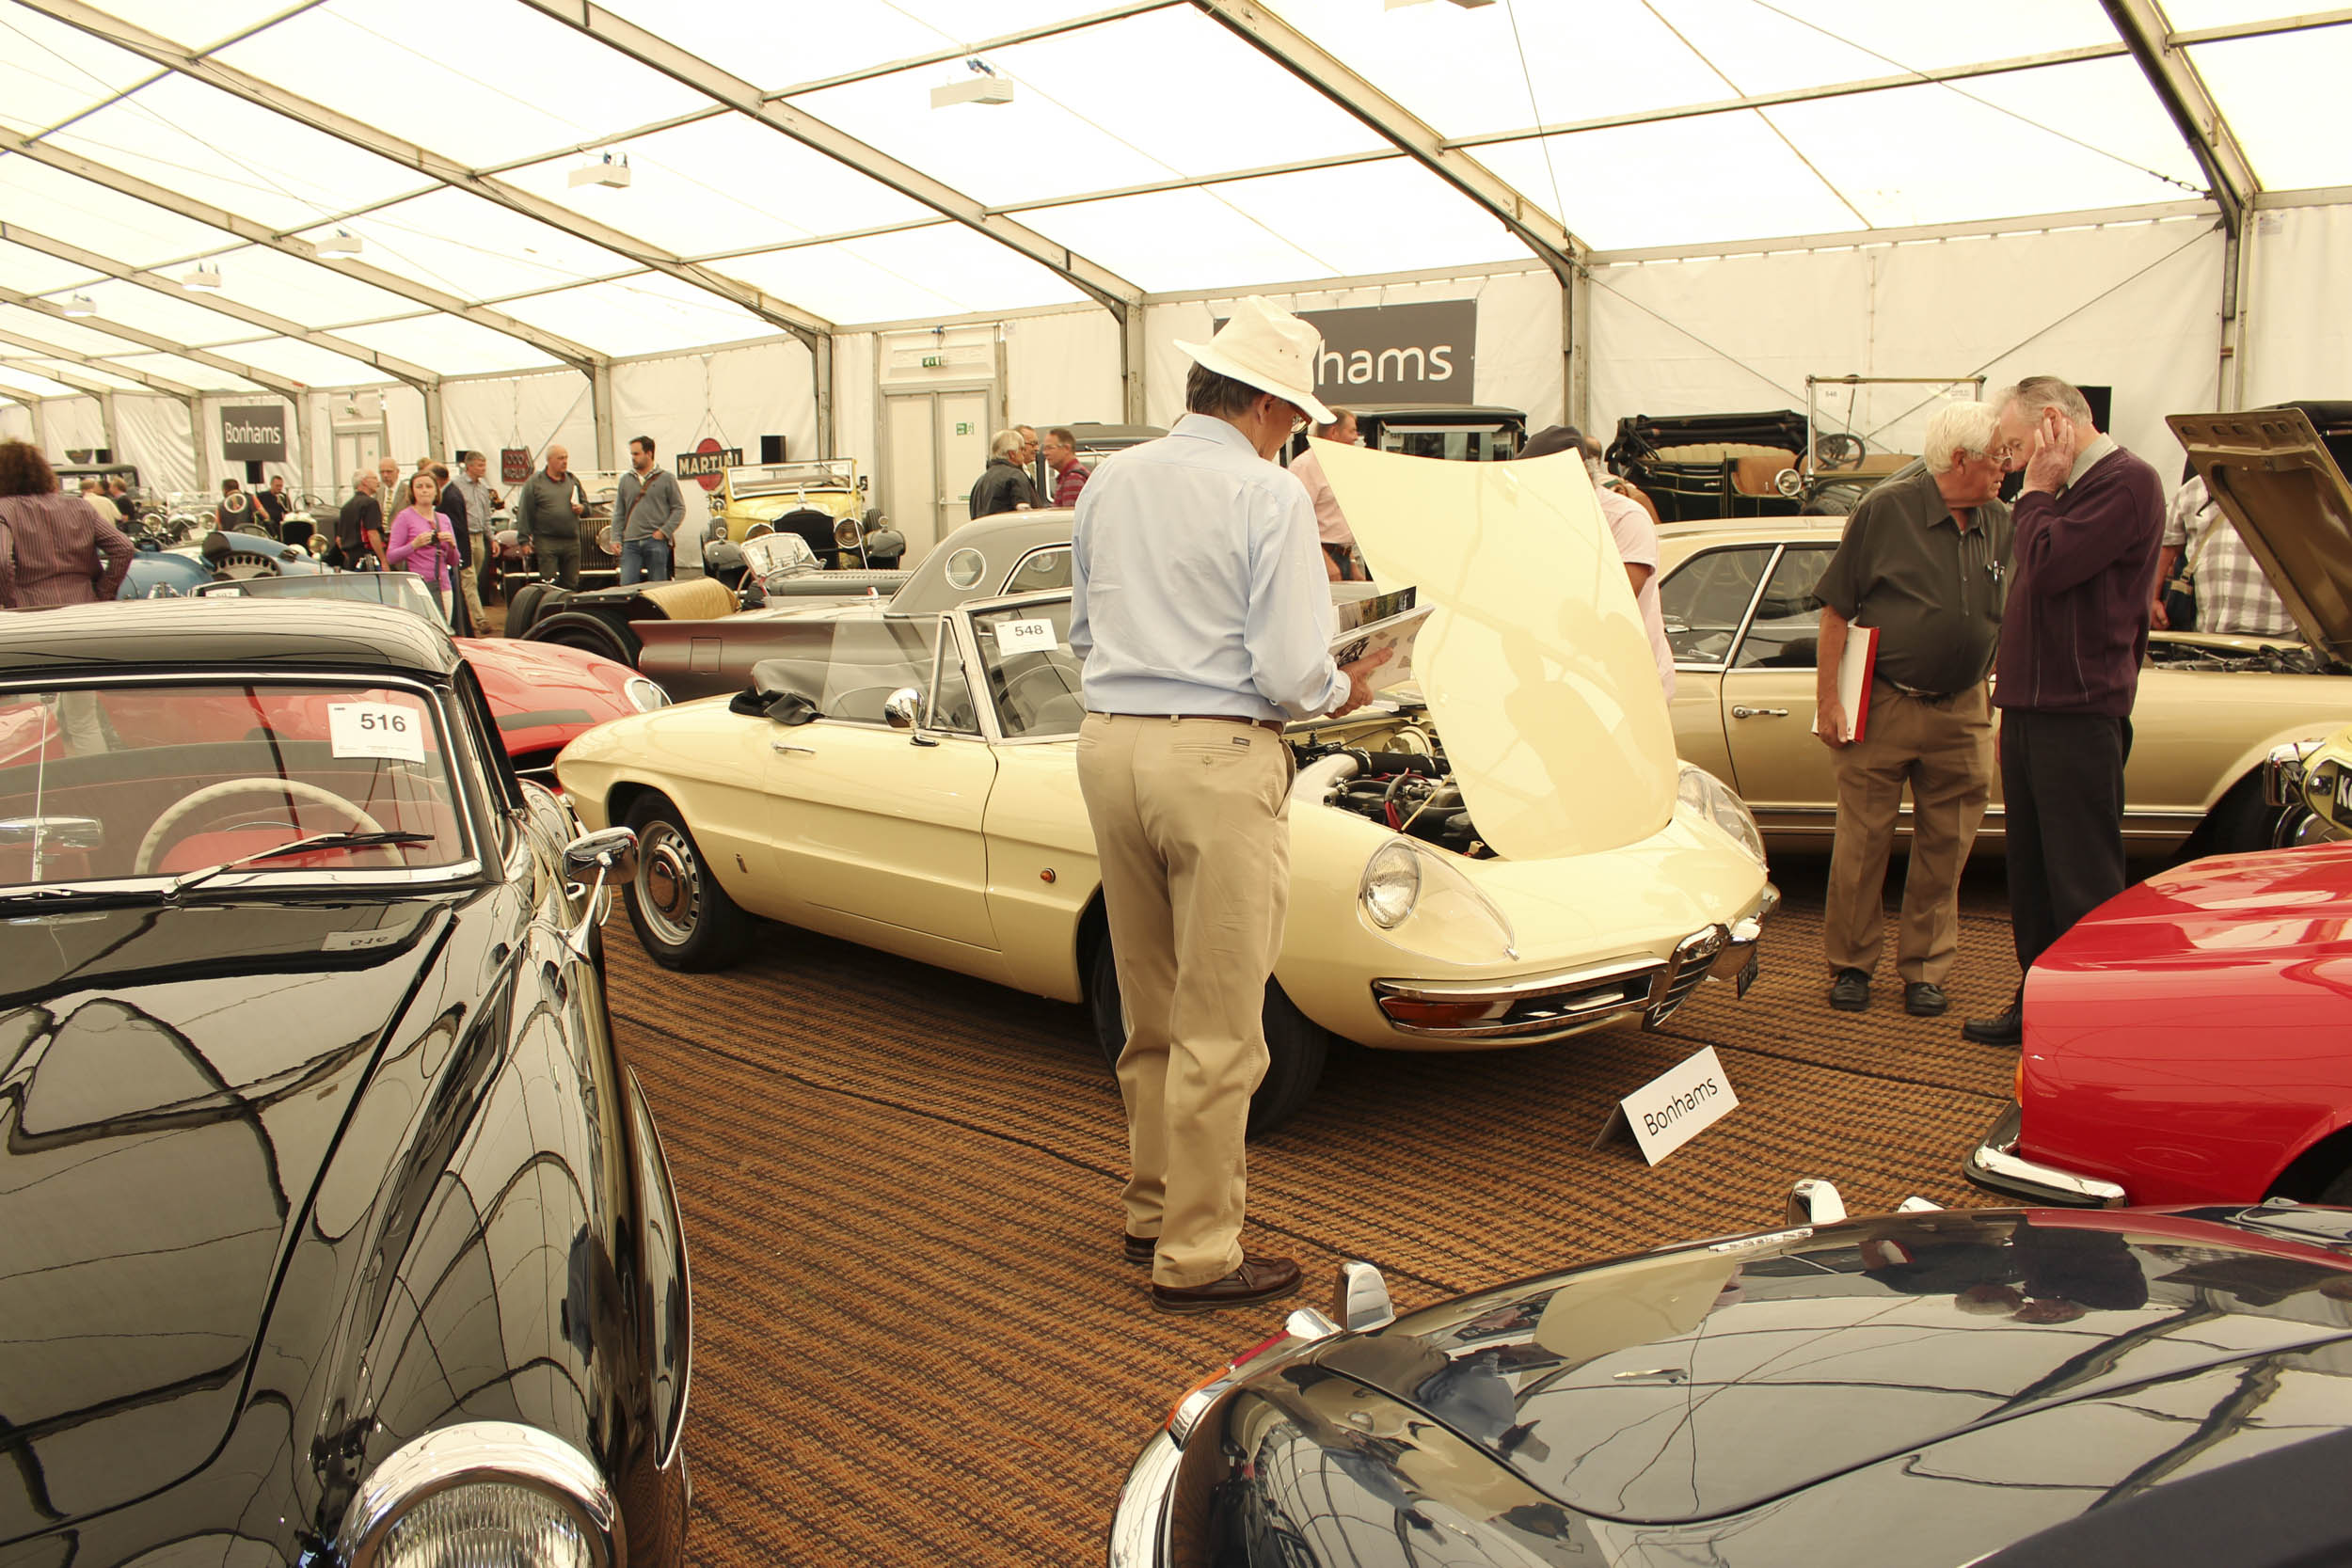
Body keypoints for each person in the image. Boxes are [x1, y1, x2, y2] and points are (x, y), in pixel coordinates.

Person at [1071, 296, 1390, 1315]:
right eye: (1291, 416)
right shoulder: (1269, 493)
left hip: (1110, 741)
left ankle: (1153, 1203)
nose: (1292, 431)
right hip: (1217, 756)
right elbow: (1294, 668)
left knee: (1149, 1000)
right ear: (1263, 405)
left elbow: (1082, 627)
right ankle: (1199, 1251)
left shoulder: (1110, 478)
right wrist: (1353, 685)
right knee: (1222, 1021)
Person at [1962, 376, 2165, 1047]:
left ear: (2054, 422)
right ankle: (2041, 1001)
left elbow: (2047, 566)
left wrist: (2040, 493)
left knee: (2081, 876)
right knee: (2033, 875)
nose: (2014, 461)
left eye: (2017, 444)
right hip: (2034, 708)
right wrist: (2009, 703)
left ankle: (2093, 1021)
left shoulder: (2127, 483)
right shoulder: (2074, 492)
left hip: (2078, 712)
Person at [1811, 400, 2013, 1020]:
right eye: (1997, 455)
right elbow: (1836, 611)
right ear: (1961, 459)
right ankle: (1851, 965)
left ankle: (1925, 970)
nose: (2007, 465)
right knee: (1862, 845)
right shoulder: (1884, 511)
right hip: (1884, 702)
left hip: (1964, 710)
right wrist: (1829, 704)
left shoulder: (2002, 520)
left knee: (1946, 847)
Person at [1522, 425, 1675, 701]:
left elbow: (1617, 603)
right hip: (1575, 679)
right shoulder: (1542, 519)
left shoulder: (1624, 518)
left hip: (1629, 683)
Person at [2152, 471, 2294, 638]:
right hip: (2208, 631)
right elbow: (2166, 548)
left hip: (2279, 629)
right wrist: (2151, 599)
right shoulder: (2194, 489)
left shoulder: (2292, 487)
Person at [1286, 406, 1363, 581]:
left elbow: (1338, 522)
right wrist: (1326, 563)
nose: (1356, 437)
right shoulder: (1306, 466)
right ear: (1334, 432)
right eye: (1352, 430)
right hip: (1320, 560)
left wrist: (1351, 563)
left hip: (1341, 559)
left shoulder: (1339, 467)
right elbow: (1295, 521)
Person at [387, 469, 459, 621]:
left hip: (442, 587)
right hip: (415, 588)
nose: (424, 490)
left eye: (429, 486)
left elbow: (454, 561)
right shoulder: (404, 517)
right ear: (412, 491)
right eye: (419, 486)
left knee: (442, 632)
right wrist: (414, 544)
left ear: (436, 491)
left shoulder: (443, 519)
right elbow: (391, 557)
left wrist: (452, 545)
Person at [614, 435, 685, 586]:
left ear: (649, 454)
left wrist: (663, 532)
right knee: (626, 586)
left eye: (636, 454)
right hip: (630, 543)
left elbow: (679, 508)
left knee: (658, 588)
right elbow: (619, 512)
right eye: (631, 454)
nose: (633, 458)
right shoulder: (625, 480)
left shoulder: (666, 478)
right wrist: (615, 538)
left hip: (656, 542)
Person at [516, 445, 589, 590]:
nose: (565, 461)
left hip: (571, 541)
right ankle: (550, 609)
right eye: (560, 458)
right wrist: (524, 540)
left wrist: (582, 508)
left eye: (566, 457)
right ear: (549, 460)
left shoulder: (572, 480)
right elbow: (525, 512)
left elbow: (587, 507)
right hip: (547, 541)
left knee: (572, 583)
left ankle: (568, 610)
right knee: (549, 583)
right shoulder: (535, 483)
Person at [449, 451, 499, 632]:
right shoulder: (456, 486)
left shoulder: (483, 488)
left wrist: (491, 539)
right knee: (469, 580)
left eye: (484, 465)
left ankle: (463, 615)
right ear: (469, 466)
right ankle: (480, 620)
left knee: (472, 580)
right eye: (479, 465)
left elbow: (486, 516)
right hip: (464, 537)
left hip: (479, 537)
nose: (483, 468)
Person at [969, 430, 1039, 518]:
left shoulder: (980, 481)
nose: (1024, 453)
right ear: (1012, 454)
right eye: (1022, 449)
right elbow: (1024, 516)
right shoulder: (1016, 476)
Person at [334, 470, 382, 568]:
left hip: (350, 561)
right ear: (364, 482)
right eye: (375, 478)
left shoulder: (345, 507)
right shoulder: (370, 503)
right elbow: (372, 533)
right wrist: (383, 560)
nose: (378, 482)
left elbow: (339, 539)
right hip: (368, 560)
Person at [1042, 426, 1089, 509]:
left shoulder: (1073, 479)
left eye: (1050, 448)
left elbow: (1070, 519)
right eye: (1044, 449)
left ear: (1067, 448)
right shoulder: (1071, 476)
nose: (1045, 453)